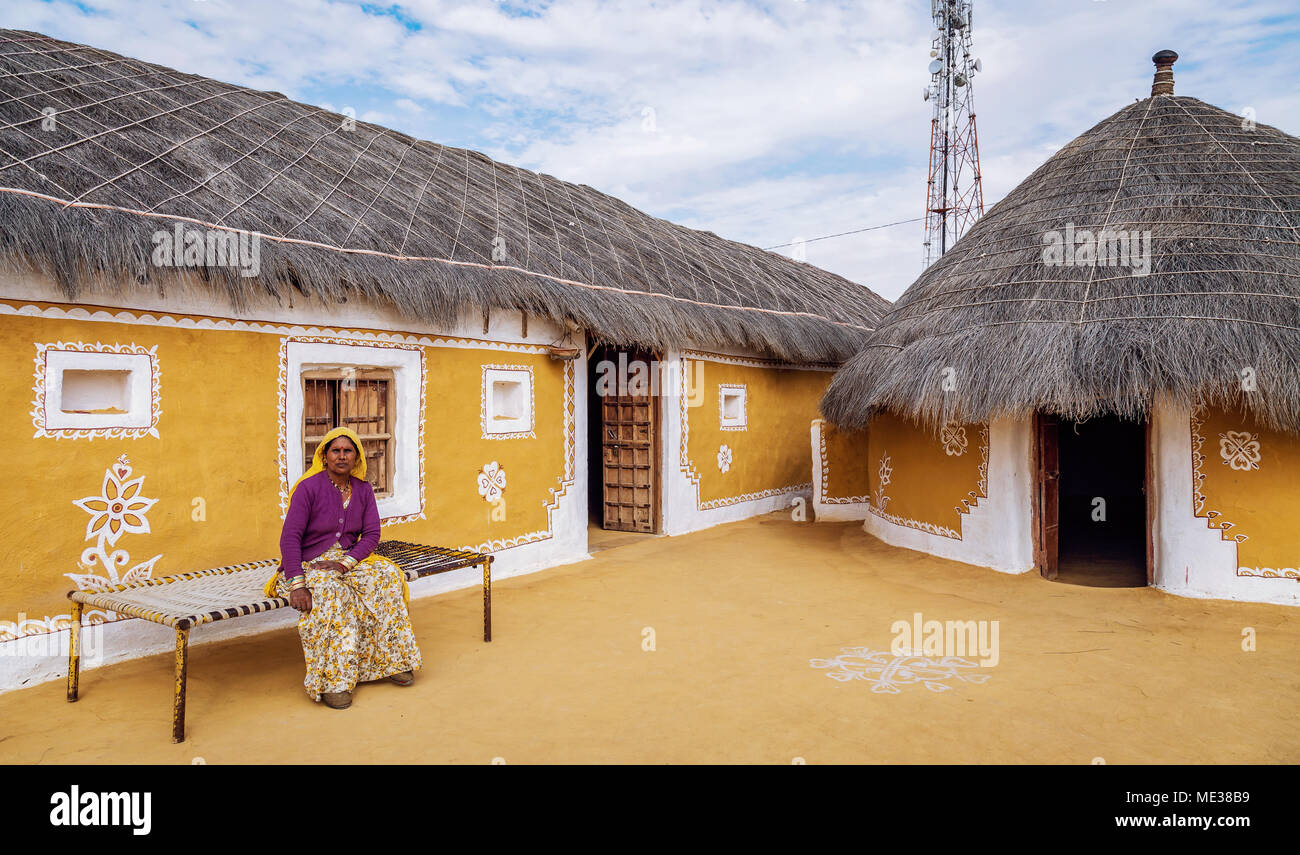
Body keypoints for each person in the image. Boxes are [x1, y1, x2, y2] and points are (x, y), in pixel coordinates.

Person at [270, 426, 422, 709]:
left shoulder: (363, 490)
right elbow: (290, 537)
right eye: (335, 451)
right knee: (331, 594)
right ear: (324, 456)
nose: (341, 456)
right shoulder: (308, 488)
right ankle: (334, 681)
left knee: (388, 578)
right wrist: (298, 584)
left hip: (345, 561)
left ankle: (392, 661)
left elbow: (373, 534)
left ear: (356, 457)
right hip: (308, 564)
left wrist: (344, 564)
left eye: (347, 451)